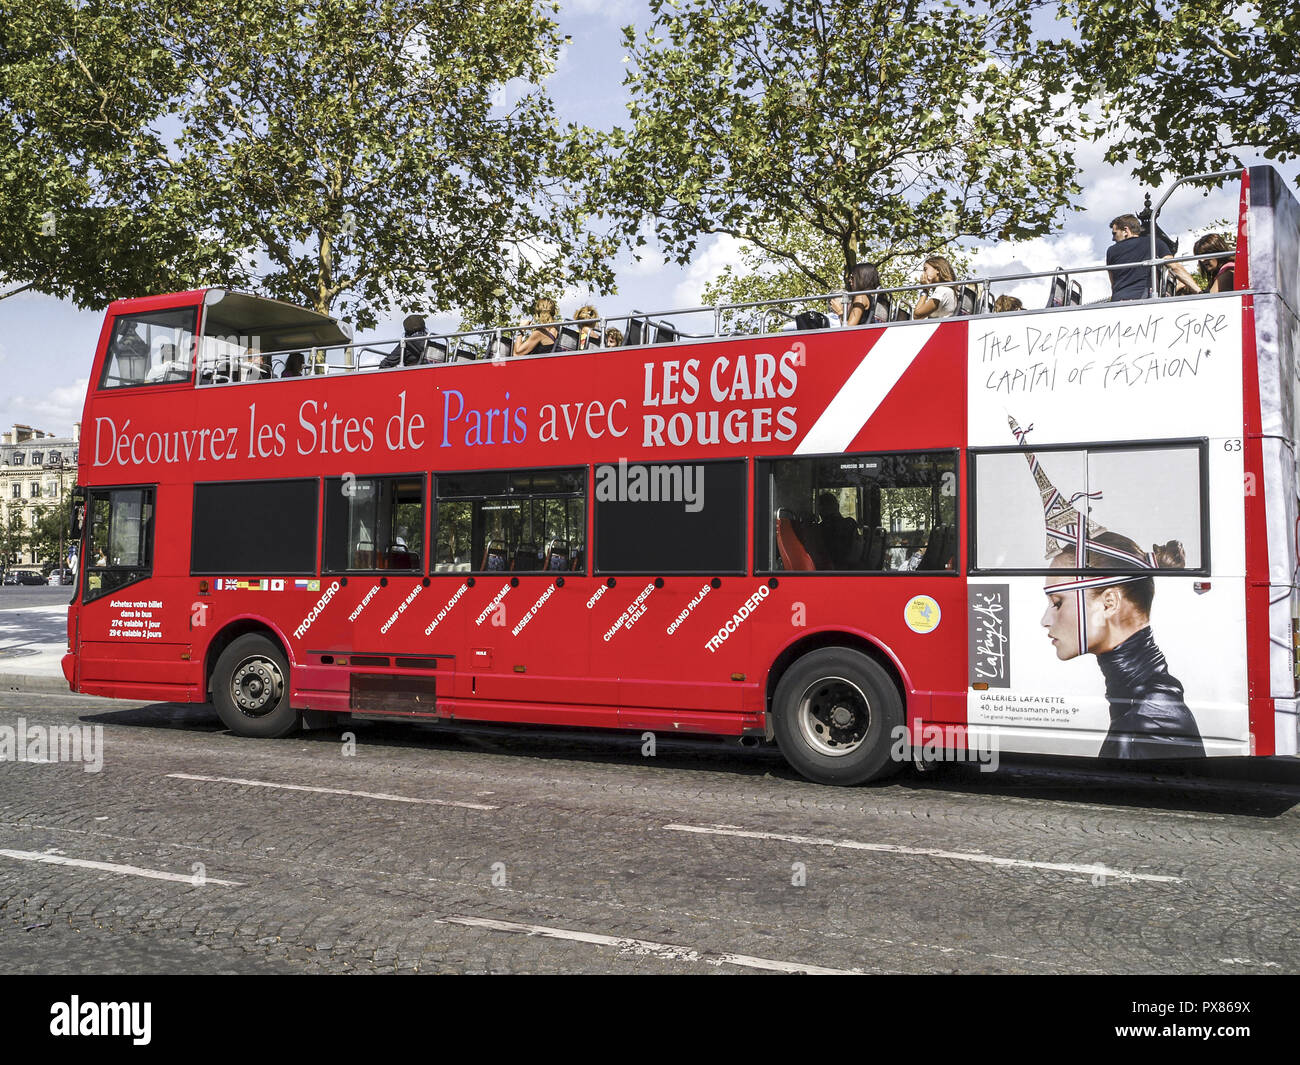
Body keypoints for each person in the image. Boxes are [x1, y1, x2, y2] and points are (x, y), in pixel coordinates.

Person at [1041, 532, 1204, 758]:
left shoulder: (1152, 719)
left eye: (1057, 603)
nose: (1045, 620)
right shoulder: (1144, 706)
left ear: (1109, 603)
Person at [1106, 213, 1171, 301]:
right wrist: (1195, 289)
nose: (1113, 238)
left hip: (1118, 301)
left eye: (1115, 234)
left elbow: (1113, 283)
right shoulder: (1153, 243)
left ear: (1126, 230)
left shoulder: (1111, 251)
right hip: (1143, 298)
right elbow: (1174, 266)